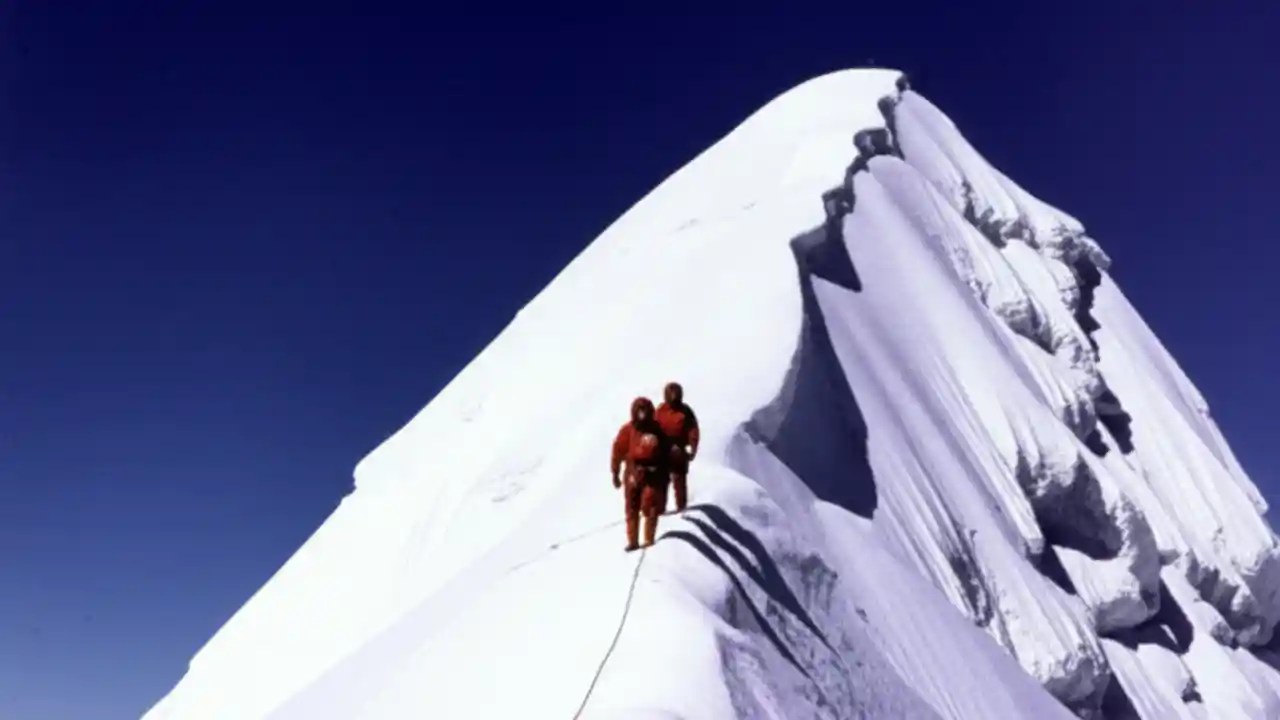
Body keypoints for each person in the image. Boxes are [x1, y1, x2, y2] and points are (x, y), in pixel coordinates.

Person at [611, 397, 670, 552]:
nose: (642, 414)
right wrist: (615, 473)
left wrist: (663, 474)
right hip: (632, 474)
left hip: (652, 475)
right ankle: (633, 541)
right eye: (639, 410)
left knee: (650, 507)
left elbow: (666, 453)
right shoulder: (628, 430)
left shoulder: (658, 431)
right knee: (631, 508)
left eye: (644, 410)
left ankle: (649, 539)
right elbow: (617, 451)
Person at [655, 381, 699, 514]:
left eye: (676, 393)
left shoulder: (686, 411)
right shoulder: (660, 410)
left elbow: (693, 430)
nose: (673, 396)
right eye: (671, 393)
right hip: (662, 450)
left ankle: (681, 509)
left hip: (679, 450)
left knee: (679, 481)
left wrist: (693, 446)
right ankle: (660, 510)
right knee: (661, 481)